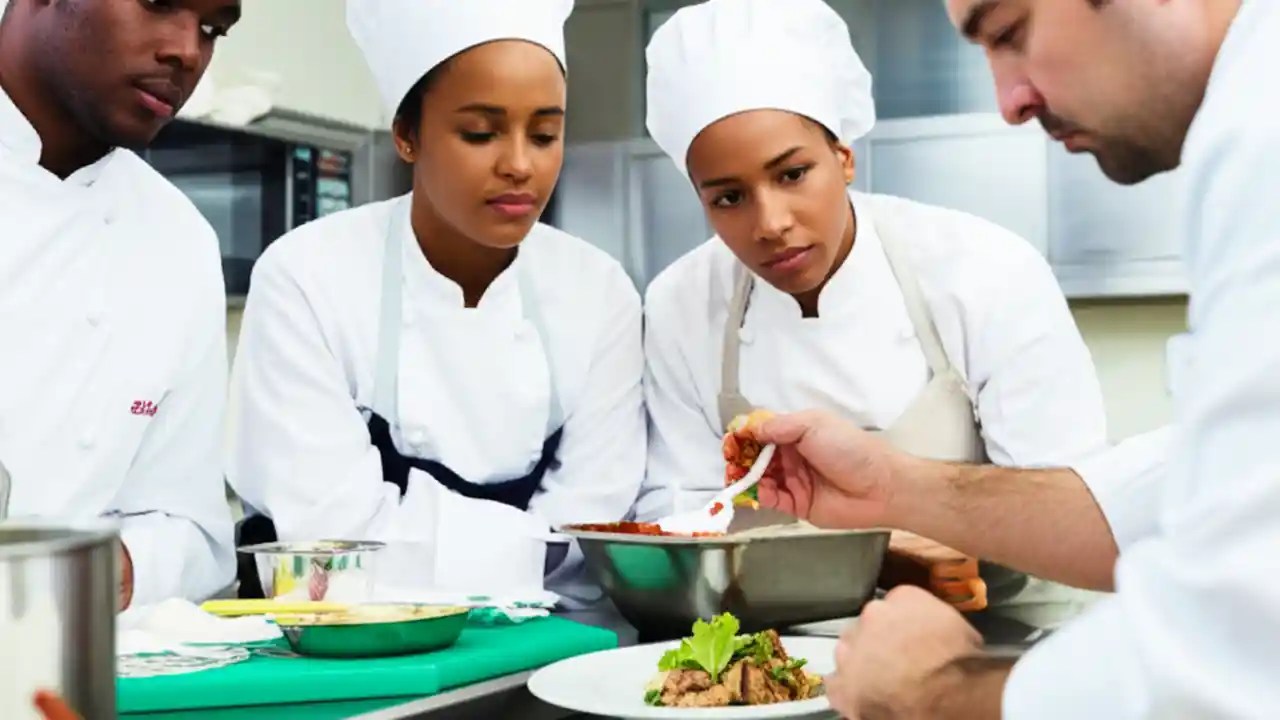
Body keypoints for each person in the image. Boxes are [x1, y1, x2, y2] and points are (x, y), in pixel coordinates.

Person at [741, 0, 1280, 716]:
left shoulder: (1261, 136)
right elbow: (1182, 497)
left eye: (1010, 33)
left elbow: (1231, 662)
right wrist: (890, 486)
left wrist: (932, 690)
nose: (1009, 104)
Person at [641, 0, 1108, 627]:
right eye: (728, 198)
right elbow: (679, 520)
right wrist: (877, 561)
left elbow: (1073, 505)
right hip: (776, 643)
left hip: (1004, 633)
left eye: (793, 174)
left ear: (844, 157)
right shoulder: (680, 305)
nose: (771, 223)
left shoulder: (985, 270)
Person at [226, 0, 646, 603]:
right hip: (340, 640)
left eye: (545, 135)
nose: (520, 165)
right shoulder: (308, 276)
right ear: (407, 134)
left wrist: (413, 546)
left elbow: (592, 535)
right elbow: (332, 545)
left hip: (547, 637)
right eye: (480, 133)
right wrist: (533, 552)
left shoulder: (599, 292)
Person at [0, 0, 240, 609]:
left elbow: (192, 530)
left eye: (213, 29)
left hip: (72, 649)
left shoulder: (181, 240)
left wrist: (95, 571)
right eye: (157, 2)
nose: (188, 52)